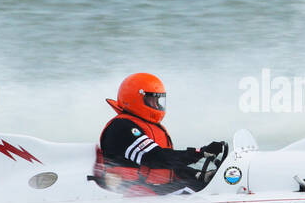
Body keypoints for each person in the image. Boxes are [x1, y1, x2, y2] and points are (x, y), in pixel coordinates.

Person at [93, 73, 225, 195]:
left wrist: (199, 175)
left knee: (210, 186)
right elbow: (156, 158)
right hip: (134, 192)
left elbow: (167, 167)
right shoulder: (121, 128)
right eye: (152, 100)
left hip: (154, 189)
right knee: (208, 193)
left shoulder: (143, 125)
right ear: (135, 99)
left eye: (158, 101)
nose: (156, 105)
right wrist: (199, 153)